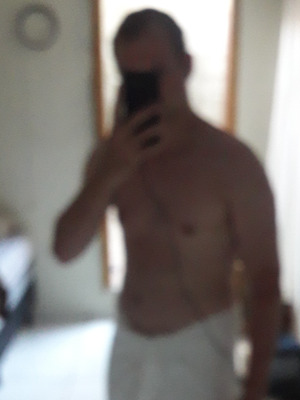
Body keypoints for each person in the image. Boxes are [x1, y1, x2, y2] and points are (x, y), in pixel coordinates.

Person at [53, 8, 281, 400]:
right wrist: (109, 173)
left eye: (155, 73)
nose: (146, 88)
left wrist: (255, 386)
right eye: (131, 77)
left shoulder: (232, 164)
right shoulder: (109, 157)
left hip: (199, 343)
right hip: (129, 340)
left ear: (186, 66)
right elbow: (64, 250)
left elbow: (265, 280)